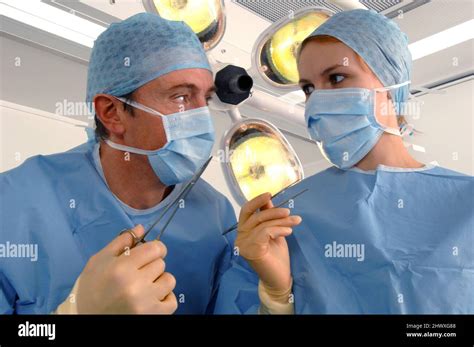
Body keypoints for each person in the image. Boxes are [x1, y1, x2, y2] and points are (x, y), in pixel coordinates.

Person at [215, 9, 474, 314]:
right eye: (308, 88)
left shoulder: (466, 204)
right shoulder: (285, 216)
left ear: (392, 86)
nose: (317, 101)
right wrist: (276, 296)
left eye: (337, 78)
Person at [0, 13, 238, 314]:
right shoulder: (13, 204)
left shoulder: (216, 215)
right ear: (111, 112)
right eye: (180, 97)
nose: (201, 117)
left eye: (205, 98)